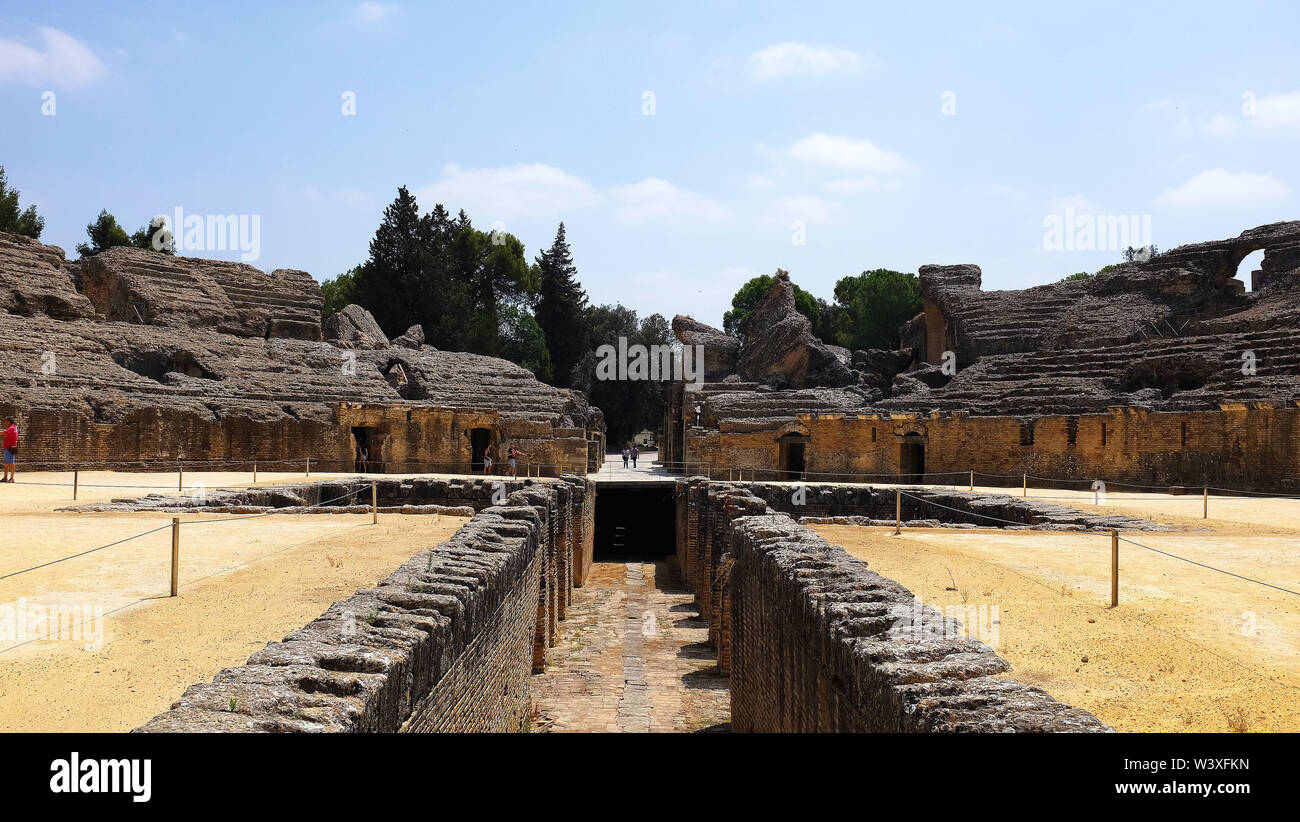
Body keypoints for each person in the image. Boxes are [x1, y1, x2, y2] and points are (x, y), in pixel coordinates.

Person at [1, 417, 16, 483]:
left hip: (9, 448)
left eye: (6, 421)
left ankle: (12, 478)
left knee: (11, 464)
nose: (5, 423)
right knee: (7, 463)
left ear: (9, 422)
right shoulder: (14, 427)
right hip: (10, 447)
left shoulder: (11, 428)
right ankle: (5, 477)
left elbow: (3, 433)